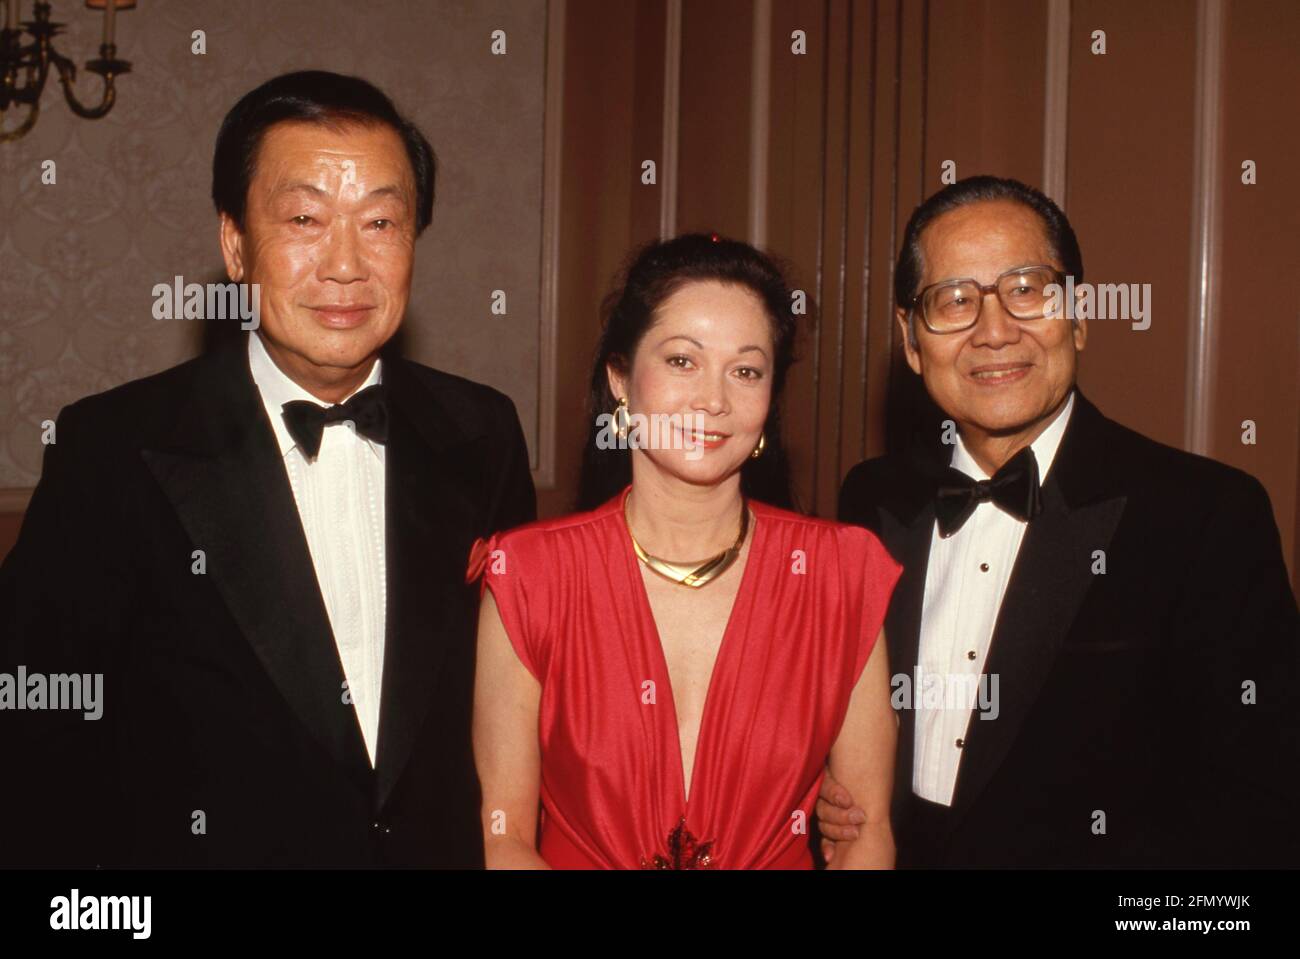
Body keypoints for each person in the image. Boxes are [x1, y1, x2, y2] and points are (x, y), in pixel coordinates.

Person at [0, 71, 535, 867]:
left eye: (381, 220)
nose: (347, 264)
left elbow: (519, 702)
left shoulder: (482, 432)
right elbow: (35, 736)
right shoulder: (115, 447)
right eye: (305, 218)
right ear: (235, 243)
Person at [819, 175, 1299, 867]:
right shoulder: (870, 499)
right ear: (912, 338)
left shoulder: (1206, 516)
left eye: (1027, 288)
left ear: (1078, 314)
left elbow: (1260, 808)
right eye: (954, 299)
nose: (993, 330)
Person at [471, 234, 902, 868]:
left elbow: (866, 830)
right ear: (621, 380)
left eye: (747, 370)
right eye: (681, 361)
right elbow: (504, 835)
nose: (713, 400)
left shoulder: (840, 574)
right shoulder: (529, 574)